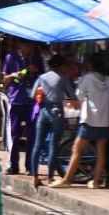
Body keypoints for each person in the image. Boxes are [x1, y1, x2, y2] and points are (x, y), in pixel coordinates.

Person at [51, 55, 109, 188]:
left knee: (77, 149)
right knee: (101, 150)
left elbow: (79, 96)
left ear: (92, 66)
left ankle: (67, 179)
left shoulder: (88, 78)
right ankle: (96, 181)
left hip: (89, 119)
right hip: (105, 120)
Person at [30, 54, 77, 185]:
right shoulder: (63, 78)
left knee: (37, 145)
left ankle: (35, 177)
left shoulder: (41, 77)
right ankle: (50, 177)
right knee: (53, 145)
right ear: (61, 66)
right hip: (57, 112)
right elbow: (72, 96)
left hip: (43, 111)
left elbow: (33, 95)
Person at [2, 39, 45, 174]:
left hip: (31, 102)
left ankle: (30, 166)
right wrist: (21, 73)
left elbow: (42, 78)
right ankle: (13, 165)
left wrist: (35, 71)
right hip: (16, 100)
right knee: (14, 134)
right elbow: (4, 80)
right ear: (20, 45)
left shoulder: (37, 58)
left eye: (31, 46)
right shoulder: (11, 57)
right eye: (26, 45)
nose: (29, 48)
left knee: (32, 133)